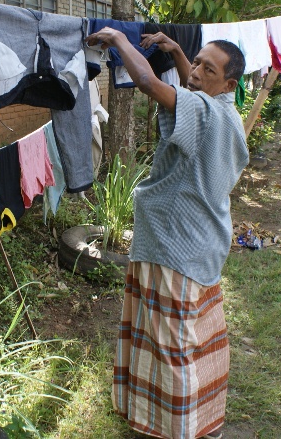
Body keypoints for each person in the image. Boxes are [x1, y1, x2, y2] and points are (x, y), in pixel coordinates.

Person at [85, 27, 250, 439]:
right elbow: (195, 88)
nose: (194, 72)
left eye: (206, 68)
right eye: (195, 62)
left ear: (228, 83)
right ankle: (195, 419)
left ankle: (180, 428)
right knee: (194, 340)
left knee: (171, 346)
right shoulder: (228, 115)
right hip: (200, 244)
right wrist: (177, 50)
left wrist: (119, 42)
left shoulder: (207, 114)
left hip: (175, 247)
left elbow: (147, 83)